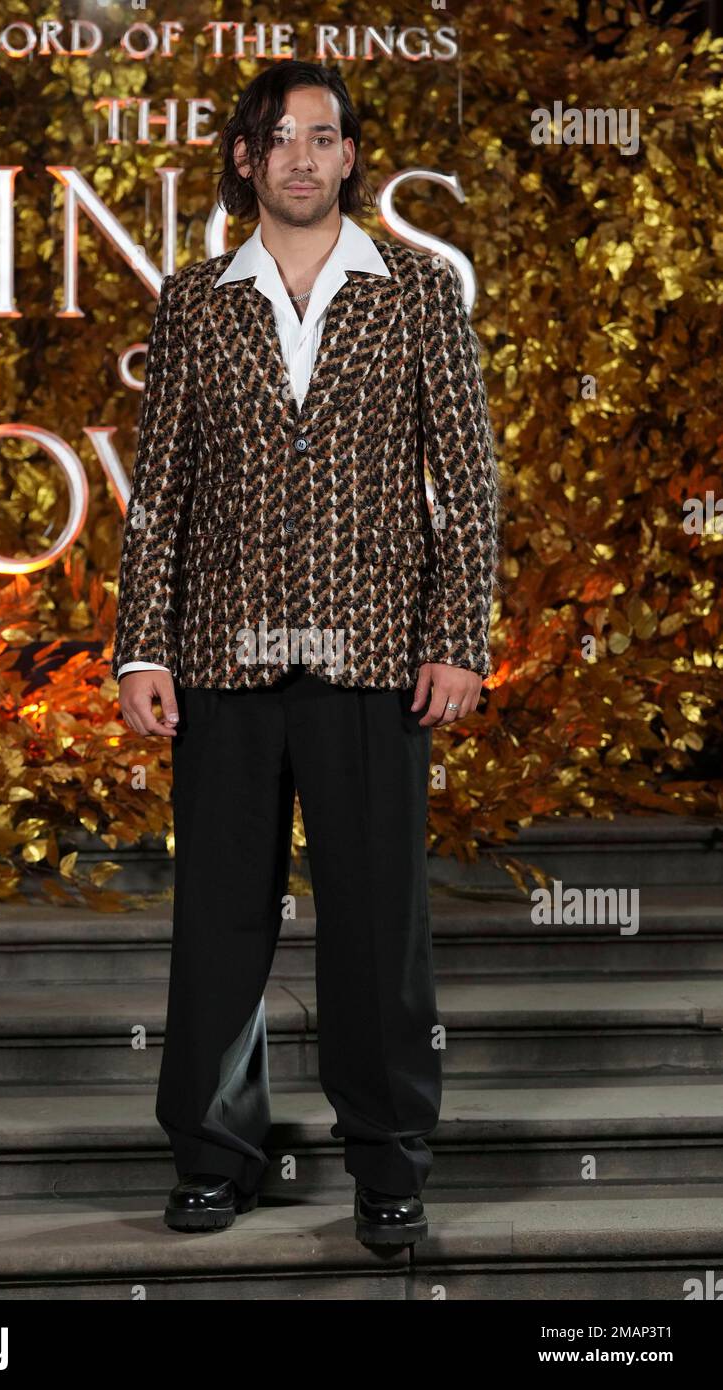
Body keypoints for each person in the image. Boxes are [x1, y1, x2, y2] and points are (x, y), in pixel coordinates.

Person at [112, 60, 500, 1246]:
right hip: (222, 663)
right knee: (220, 923)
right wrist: (141, 649)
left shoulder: (419, 289)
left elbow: (467, 481)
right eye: (276, 137)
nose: (298, 155)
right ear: (244, 158)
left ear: (346, 157)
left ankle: (388, 1165)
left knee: (377, 929)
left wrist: (455, 639)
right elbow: (160, 492)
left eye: (320, 137)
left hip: (375, 657)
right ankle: (215, 1154)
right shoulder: (194, 301)